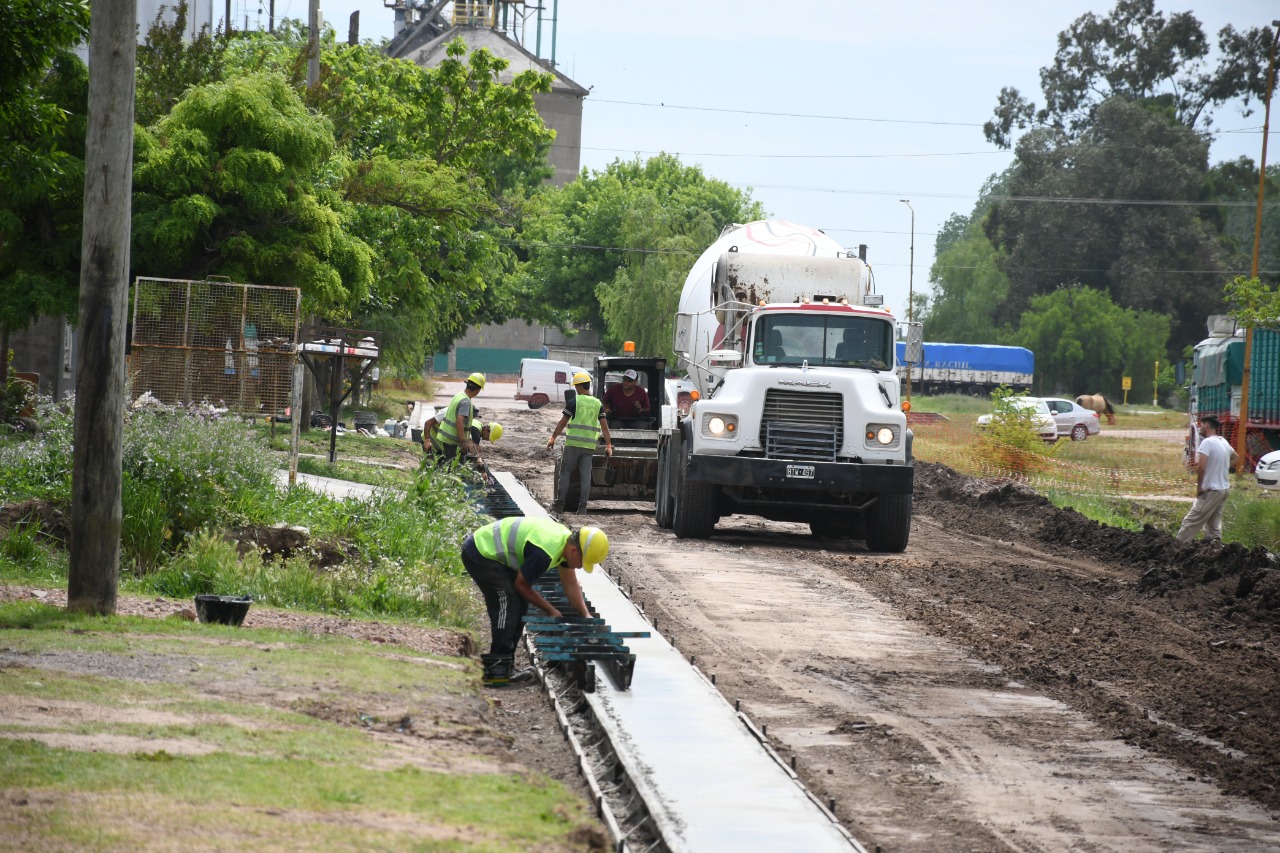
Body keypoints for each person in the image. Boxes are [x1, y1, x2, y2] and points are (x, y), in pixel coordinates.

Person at [460, 517, 610, 686]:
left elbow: (570, 583)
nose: (581, 567)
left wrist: (586, 615)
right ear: (575, 551)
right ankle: (496, 671)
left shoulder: (566, 544)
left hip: (495, 557)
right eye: (583, 562)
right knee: (507, 603)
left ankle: (505, 667)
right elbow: (522, 585)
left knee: (521, 606)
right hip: (480, 552)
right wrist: (550, 610)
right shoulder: (545, 551)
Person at [548, 371, 613, 514]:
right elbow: (605, 427)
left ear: (578, 386)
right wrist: (608, 446)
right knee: (585, 477)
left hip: (572, 445)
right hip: (589, 446)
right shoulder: (598, 404)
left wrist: (553, 438)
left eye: (576, 386)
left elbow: (562, 423)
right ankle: (582, 508)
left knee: (565, 474)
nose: (575, 389)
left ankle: (559, 505)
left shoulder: (574, 402)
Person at [1176, 416, 1238, 543]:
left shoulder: (1207, 443)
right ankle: (1215, 548)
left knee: (1191, 521)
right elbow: (1235, 457)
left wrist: (1199, 487)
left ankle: (1176, 546)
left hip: (1211, 489)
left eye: (1201, 425)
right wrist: (1222, 467)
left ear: (1207, 425)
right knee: (1214, 524)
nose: (1200, 428)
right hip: (1223, 489)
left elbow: (1201, 467)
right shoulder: (1223, 441)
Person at [433, 373, 485, 464]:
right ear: (478, 390)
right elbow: (460, 421)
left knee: (449, 465)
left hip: (447, 438)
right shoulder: (466, 402)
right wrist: (463, 442)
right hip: (452, 441)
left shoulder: (459, 395)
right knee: (454, 467)